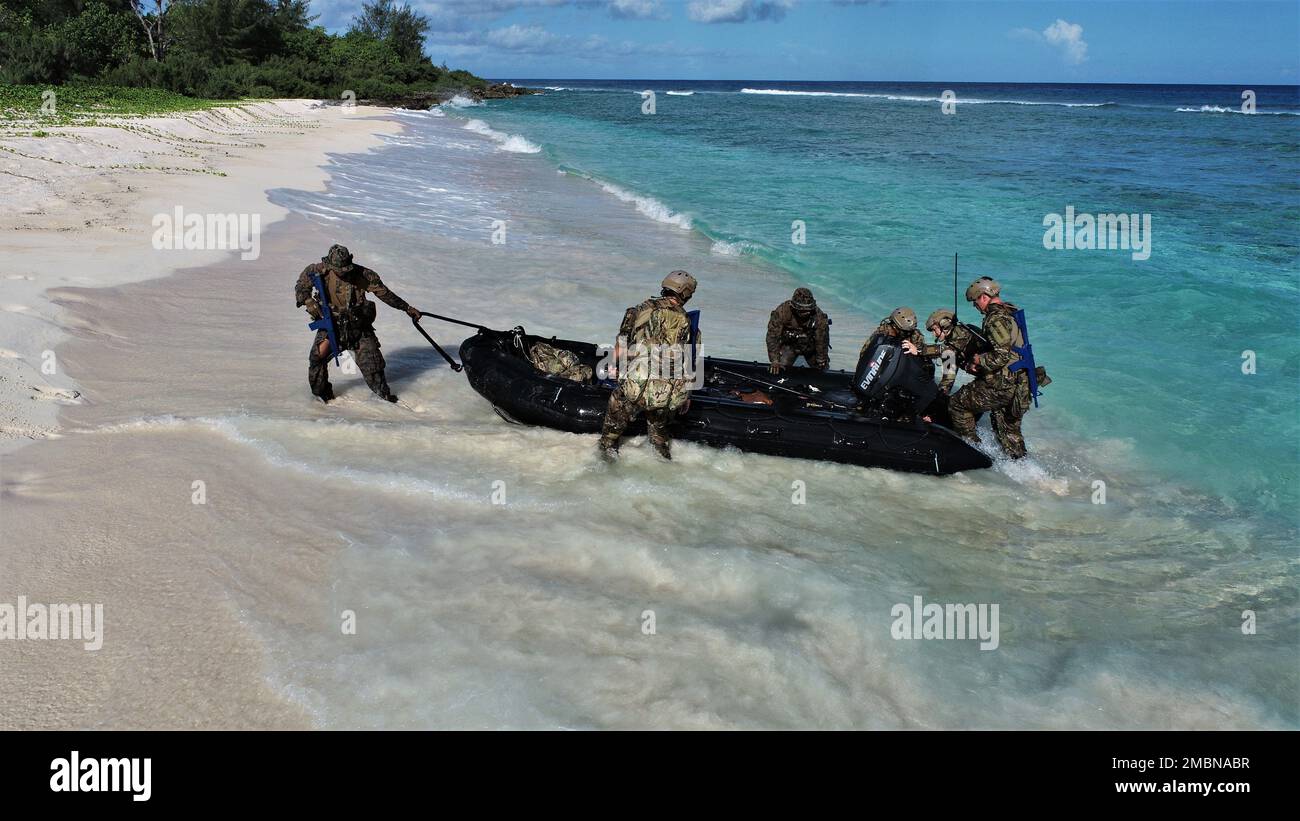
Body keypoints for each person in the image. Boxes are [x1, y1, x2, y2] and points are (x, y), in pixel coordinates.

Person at [294, 244, 422, 403]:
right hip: (331, 326)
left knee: (373, 368)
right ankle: (324, 400)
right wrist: (307, 300)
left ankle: (387, 401)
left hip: (359, 327)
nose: (342, 273)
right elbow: (301, 286)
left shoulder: (364, 274)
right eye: (338, 270)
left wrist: (407, 308)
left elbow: (385, 294)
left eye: (345, 270)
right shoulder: (316, 270)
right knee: (317, 358)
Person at [598, 270, 699, 461]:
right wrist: (688, 395)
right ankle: (663, 461)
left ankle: (607, 462)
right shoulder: (689, 322)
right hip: (665, 392)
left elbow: (622, 342)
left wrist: (613, 365)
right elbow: (691, 361)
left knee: (611, 433)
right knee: (659, 435)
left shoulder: (639, 310)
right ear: (685, 293)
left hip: (636, 386)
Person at [947, 276, 1047, 459]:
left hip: (1004, 384)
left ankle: (972, 451)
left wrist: (978, 360)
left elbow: (1001, 355)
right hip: (1021, 383)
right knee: (1008, 431)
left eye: (975, 301)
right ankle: (1022, 467)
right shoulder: (1009, 311)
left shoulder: (995, 319)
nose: (975, 306)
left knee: (957, 404)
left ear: (984, 297)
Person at [765, 287, 830, 373]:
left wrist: (821, 359)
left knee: (823, 370)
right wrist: (775, 360)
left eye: (808, 310)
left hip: (811, 347)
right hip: (789, 346)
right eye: (801, 311)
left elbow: (822, 339)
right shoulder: (782, 312)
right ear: (793, 308)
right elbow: (773, 336)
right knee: (779, 368)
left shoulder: (819, 316)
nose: (806, 313)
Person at [862, 306, 934, 381]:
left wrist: (916, 351)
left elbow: (923, 358)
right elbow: (866, 353)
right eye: (904, 331)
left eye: (909, 331)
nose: (907, 333)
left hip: (905, 372)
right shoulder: (883, 332)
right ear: (895, 326)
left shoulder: (915, 335)